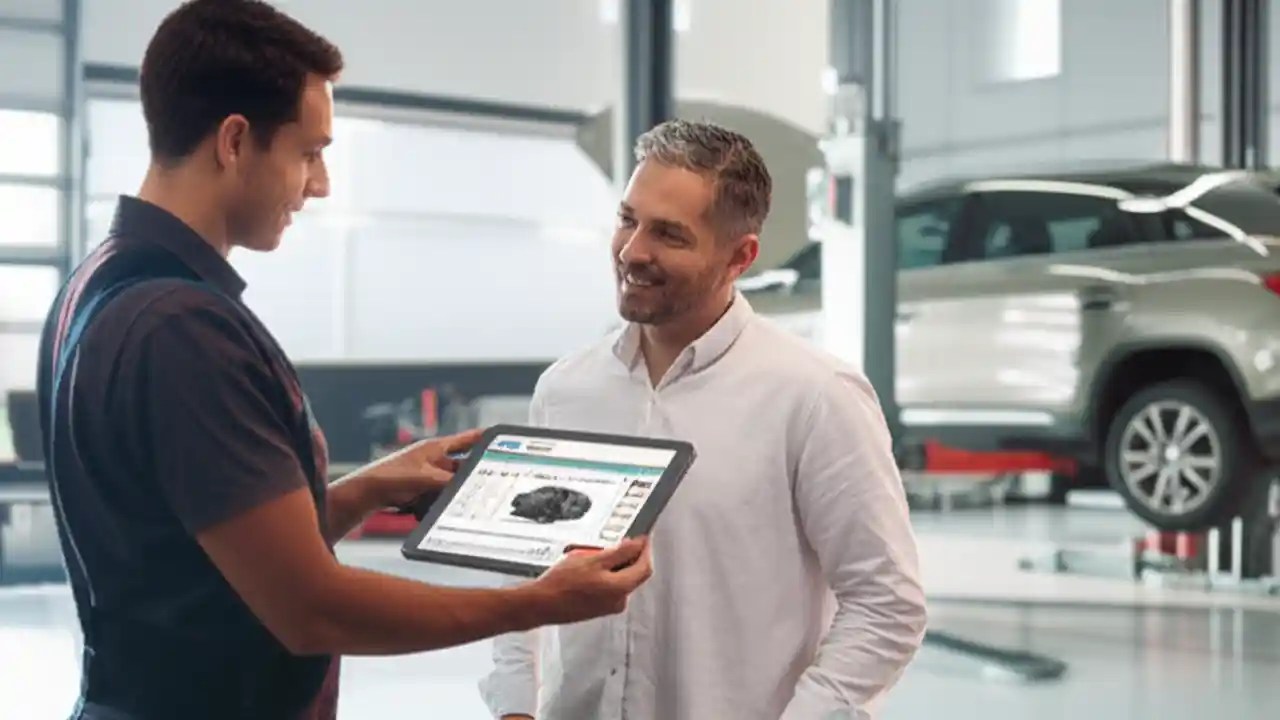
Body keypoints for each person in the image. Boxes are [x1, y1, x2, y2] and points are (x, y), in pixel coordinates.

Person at [35, 2, 651, 718]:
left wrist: (363, 491)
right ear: (234, 140)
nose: (320, 183)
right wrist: (536, 603)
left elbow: (203, 558)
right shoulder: (184, 331)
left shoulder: (96, 284)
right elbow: (310, 610)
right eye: (308, 152)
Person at [479, 120, 928, 720]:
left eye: (669, 234)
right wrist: (514, 705)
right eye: (628, 219)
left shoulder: (815, 396)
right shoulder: (567, 390)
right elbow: (522, 573)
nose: (633, 250)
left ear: (739, 256)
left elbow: (886, 603)